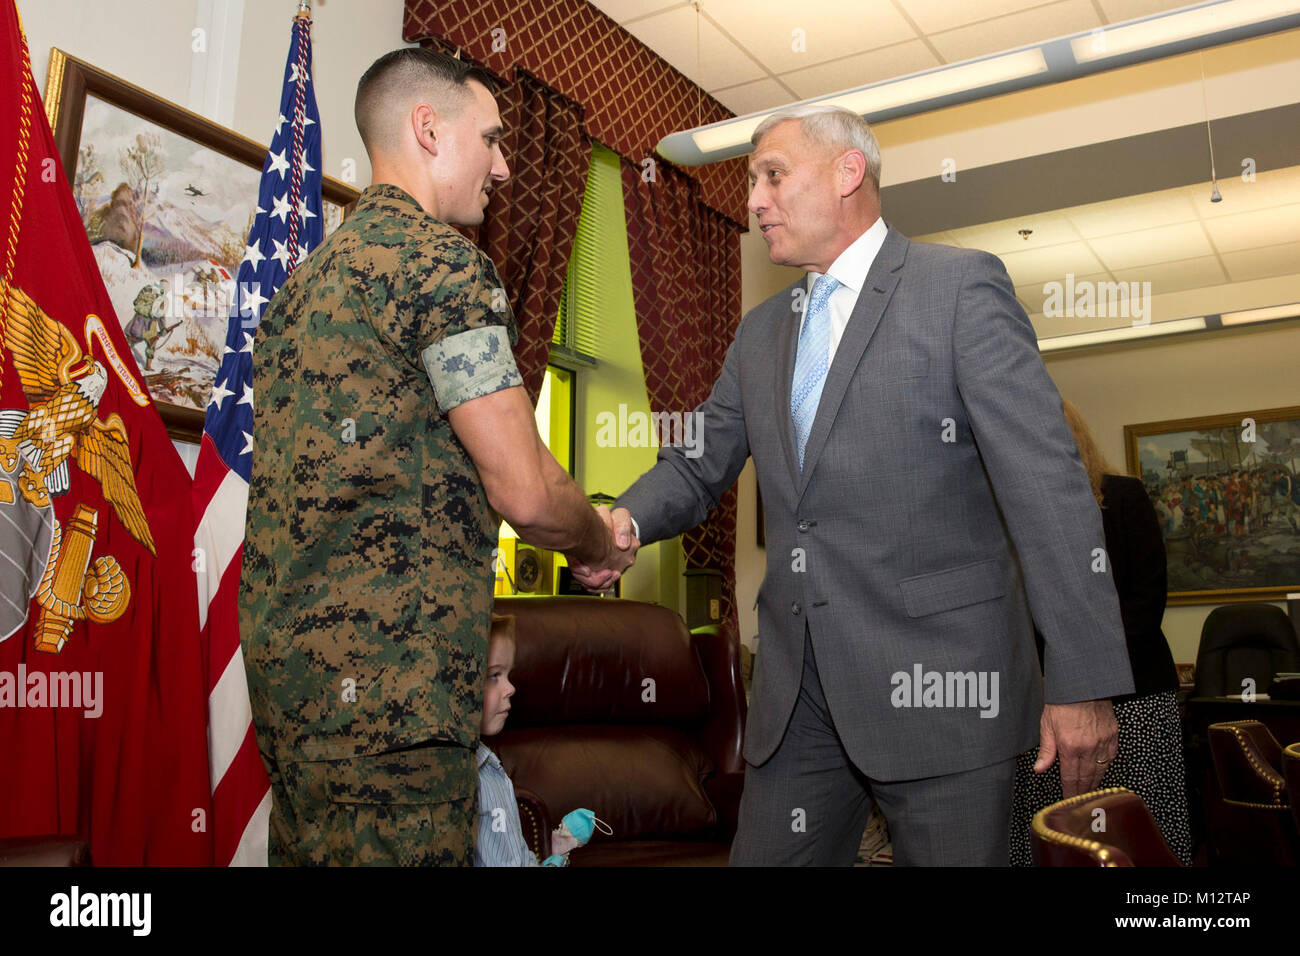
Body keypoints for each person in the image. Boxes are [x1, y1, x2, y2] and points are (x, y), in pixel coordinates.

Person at [576, 104, 1133, 866]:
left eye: (772, 175)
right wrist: (624, 524)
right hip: (798, 699)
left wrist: (1083, 678)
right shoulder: (761, 332)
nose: (753, 201)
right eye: (749, 182)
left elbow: (1048, 489)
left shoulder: (959, 290)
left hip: (945, 696)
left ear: (848, 173)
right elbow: (699, 460)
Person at [240, 48, 633, 867]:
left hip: (292, 693)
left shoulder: (298, 292)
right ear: (428, 128)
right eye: (489, 139)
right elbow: (525, 490)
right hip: (398, 700)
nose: (504, 164)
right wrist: (596, 542)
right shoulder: (441, 266)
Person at [1009, 400, 1191, 865]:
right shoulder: (1010, 513)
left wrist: (1079, 675)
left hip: (1134, 700)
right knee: (1052, 834)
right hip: (1038, 703)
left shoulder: (1123, 497)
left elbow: (1144, 607)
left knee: (1137, 828)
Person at [475, 615, 538, 867]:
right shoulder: (477, 778)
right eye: (494, 675)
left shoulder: (491, 767)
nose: (510, 688)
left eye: (508, 674)